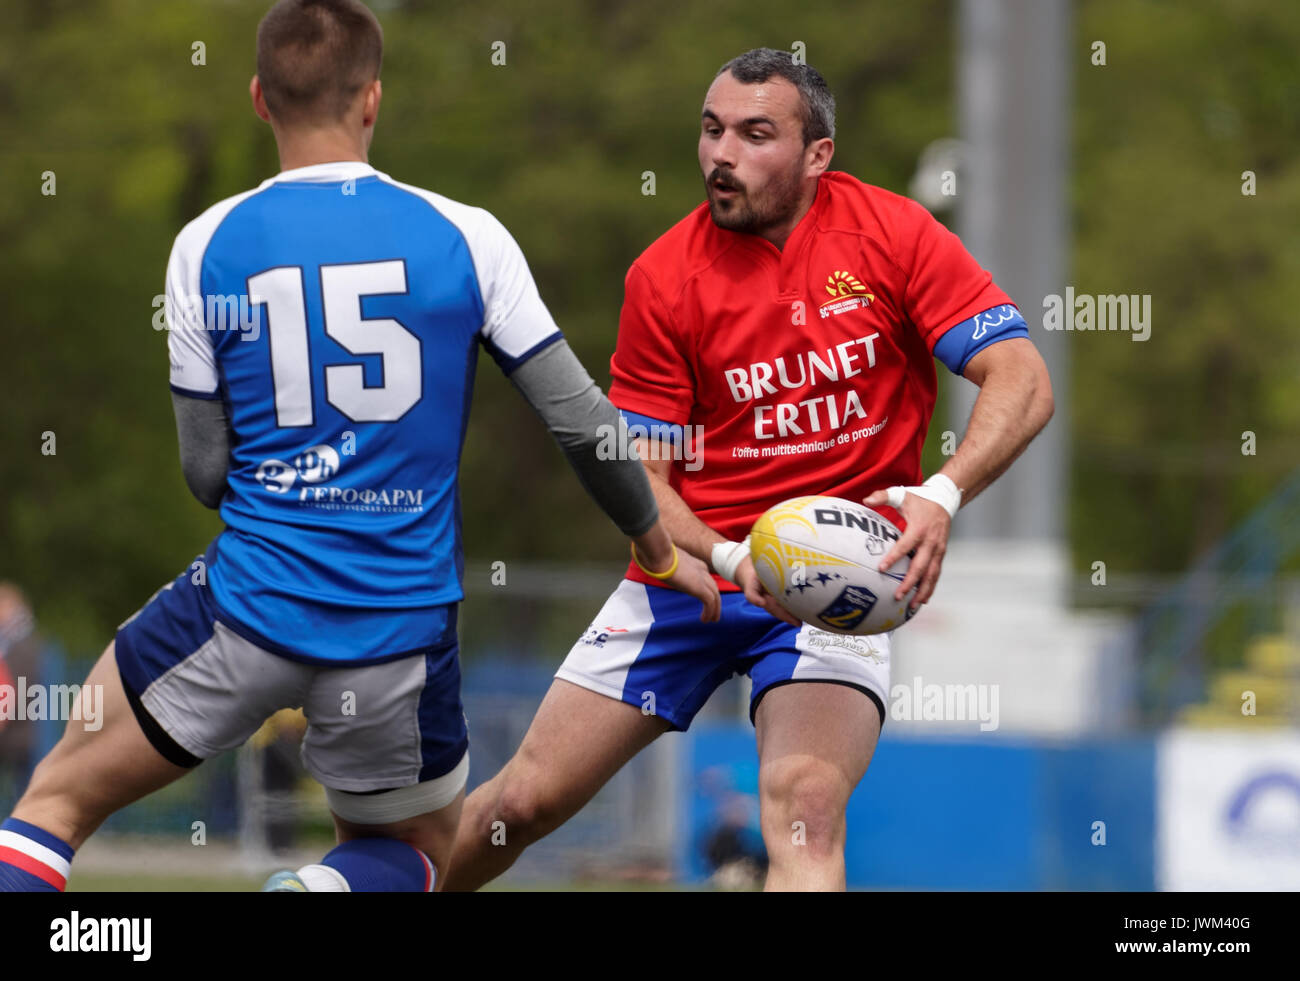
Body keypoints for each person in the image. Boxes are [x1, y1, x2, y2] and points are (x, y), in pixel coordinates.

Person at [0, 0, 715, 894]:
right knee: (411, 852)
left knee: (54, 803)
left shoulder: (205, 245)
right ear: (372, 98)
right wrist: (655, 545)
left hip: (244, 608)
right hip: (400, 631)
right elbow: (582, 422)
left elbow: (203, 469)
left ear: (260, 98)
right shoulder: (467, 236)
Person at [442, 48, 1054, 892]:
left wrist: (941, 494)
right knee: (526, 801)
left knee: (803, 802)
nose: (721, 154)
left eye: (755, 133)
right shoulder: (663, 277)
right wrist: (726, 558)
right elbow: (640, 479)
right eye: (711, 129)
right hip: (691, 568)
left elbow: (1022, 375)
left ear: (817, 156)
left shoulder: (896, 235)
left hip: (836, 581)